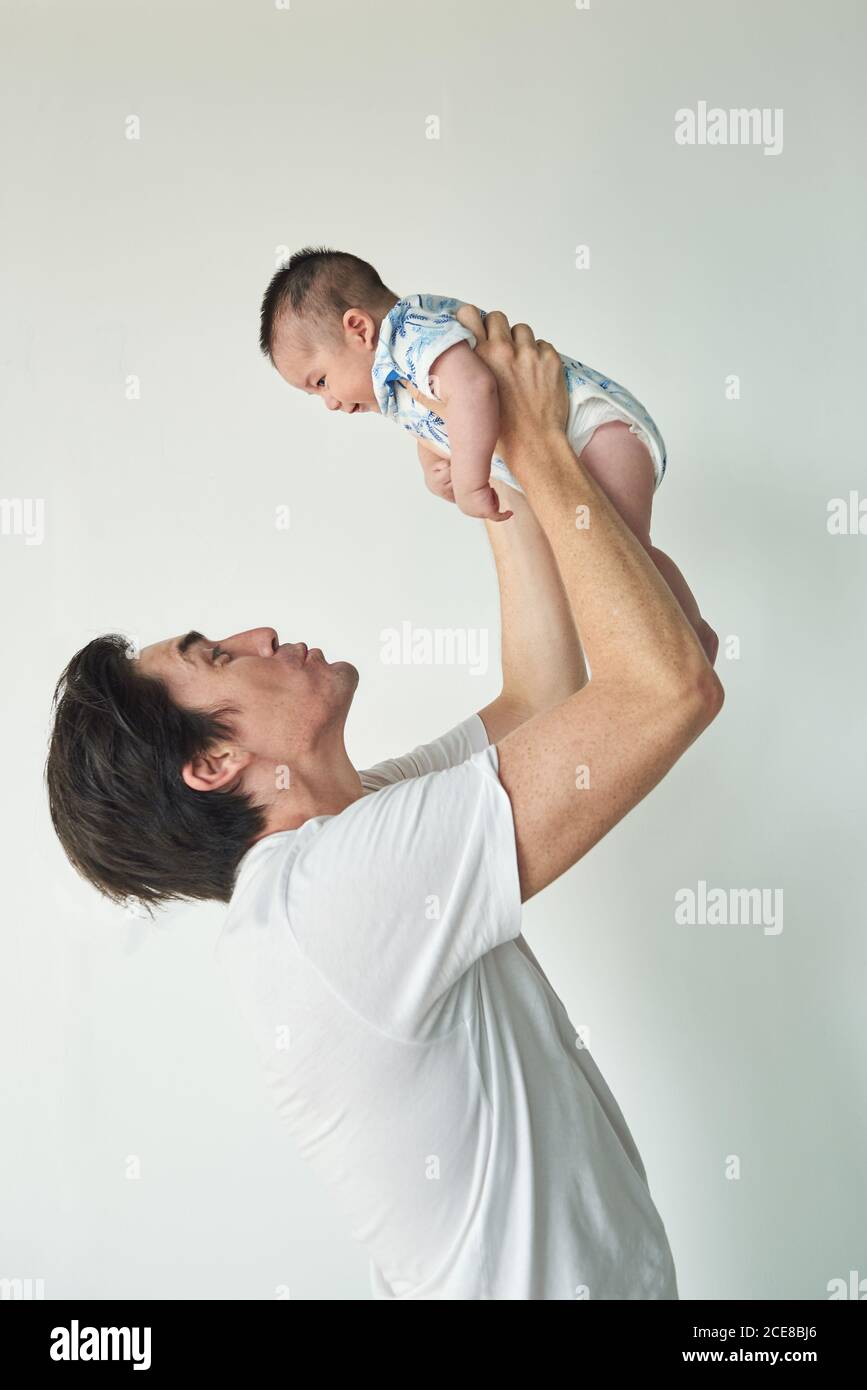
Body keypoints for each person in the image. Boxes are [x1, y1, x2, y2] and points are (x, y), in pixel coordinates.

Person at [46, 308, 724, 1299]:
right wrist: (536, 437)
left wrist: (484, 466)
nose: (259, 629)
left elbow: (540, 696)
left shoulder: (355, 837)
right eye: (216, 657)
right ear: (213, 760)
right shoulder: (326, 897)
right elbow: (667, 690)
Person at [259, 246, 718, 663]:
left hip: (594, 428)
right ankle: (679, 643)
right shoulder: (394, 381)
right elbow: (433, 423)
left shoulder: (410, 334)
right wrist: (434, 467)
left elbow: (474, 388)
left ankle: (690, 636)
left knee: (621, 552)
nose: (331, 402)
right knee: (607, 556)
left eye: (320, 381)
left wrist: (470, 478)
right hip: (571, 447)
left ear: (358, 329)